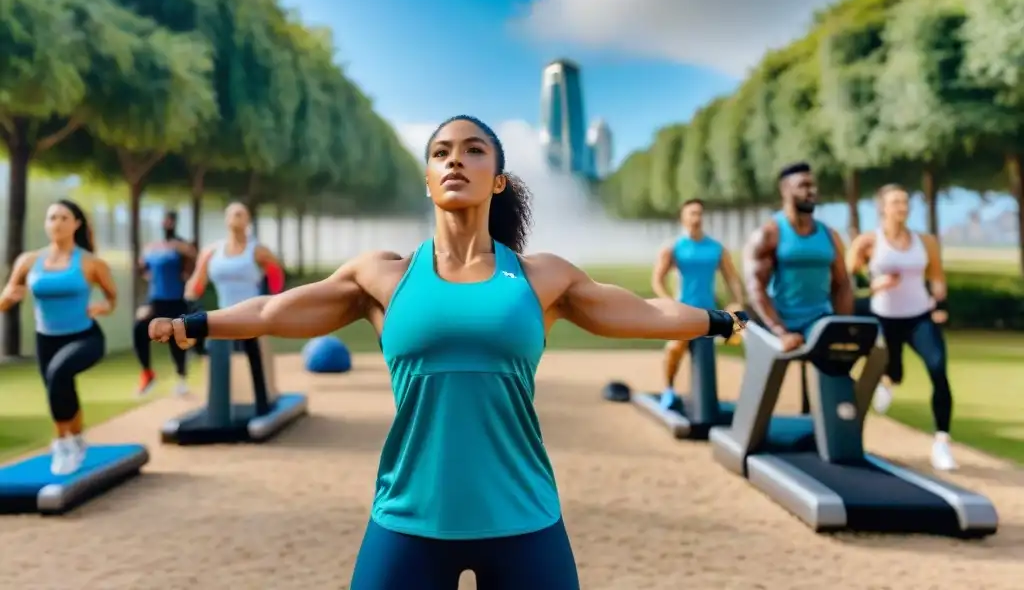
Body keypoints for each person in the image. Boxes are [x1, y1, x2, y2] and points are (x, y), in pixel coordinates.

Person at [150, 115, 747, 590]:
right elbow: (272, 311)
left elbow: (647, 313)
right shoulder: (383, 277)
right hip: (409, 516)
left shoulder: (540, 278)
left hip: (523, 516)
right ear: (429, 179)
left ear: (498, 180)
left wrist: (723, 320)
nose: (455, 159)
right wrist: (194, 324)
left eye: (473, 150)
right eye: (441, 152)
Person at [0, 200, 117, 475]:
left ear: (76, 224)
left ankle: (62, 444)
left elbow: (112, 298)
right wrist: (8, 298)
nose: (57, 223)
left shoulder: (91, 263)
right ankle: (77, 439)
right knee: (60, 387)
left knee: (59, 373)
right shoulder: (28, 261)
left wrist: (102, 307)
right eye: (52, 217)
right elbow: (5, 299)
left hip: (85, 337)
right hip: (46, 340)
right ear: (46, 223)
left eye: (64, 218)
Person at [846, 184, 957, 471]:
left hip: (918, 317)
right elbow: (848, 280)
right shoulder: (868, 242)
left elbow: (937, 277)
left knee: (938, 369)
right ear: (883, 208)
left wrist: (940, 305)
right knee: (894, 370)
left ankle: (942, 442)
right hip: (884, 318)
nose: (902, 207)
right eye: (896, 202)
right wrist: (874, 285)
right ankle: (887, 381)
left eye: (905, 202)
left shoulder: (925, 242)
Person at [743, 162, 853, 412]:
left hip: (818, 320)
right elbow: (755, 287)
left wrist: (842, 325)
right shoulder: (770, 233)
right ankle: (754, 420)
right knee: (765, 381)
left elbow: (843, 284)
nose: (811, 191)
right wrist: (779, 331)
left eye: (813, 185)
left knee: (837, 373)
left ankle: (825, 424)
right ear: (785, 190)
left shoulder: (829, 235)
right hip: (780, 320)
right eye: (803, 185)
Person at [184, 202, 285, 400]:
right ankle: (221, 403)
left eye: (241, 214)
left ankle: (266, 397)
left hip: (253, 316)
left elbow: (277, 276)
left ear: (248, 220)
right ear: (226, 219)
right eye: (232, 214)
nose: (236, 217)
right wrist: (191, 304)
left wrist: (274, 303)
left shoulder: (258, 251)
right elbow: (195, 285)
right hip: (225, 315)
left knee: (257, 358)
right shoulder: (211, 252)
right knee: (219, 358)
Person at [651, 198, 745, 409]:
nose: (696, 218)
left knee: (741, 333)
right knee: (675, 348)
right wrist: (669, 303)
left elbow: (731, 278)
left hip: (709, 311)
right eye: (692, 213)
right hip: (683, 310)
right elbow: (657, 280)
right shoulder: (673, 247)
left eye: (700, 213)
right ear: (683, 218)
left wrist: (737, 302)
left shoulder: (716, 248)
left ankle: (738, 398)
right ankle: (668, 390)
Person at [134, 209, 196, 396]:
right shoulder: (153, 247)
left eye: (170, 220)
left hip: (176, 300)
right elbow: (143, 269)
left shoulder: (182, 246)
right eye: (165, 220)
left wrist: (186, 274)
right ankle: (147, 374)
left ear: (175, 223)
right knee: (139, 329)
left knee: (176, 339)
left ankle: (181, 378)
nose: (167, 223)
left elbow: (193, 265)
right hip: (155, 300)